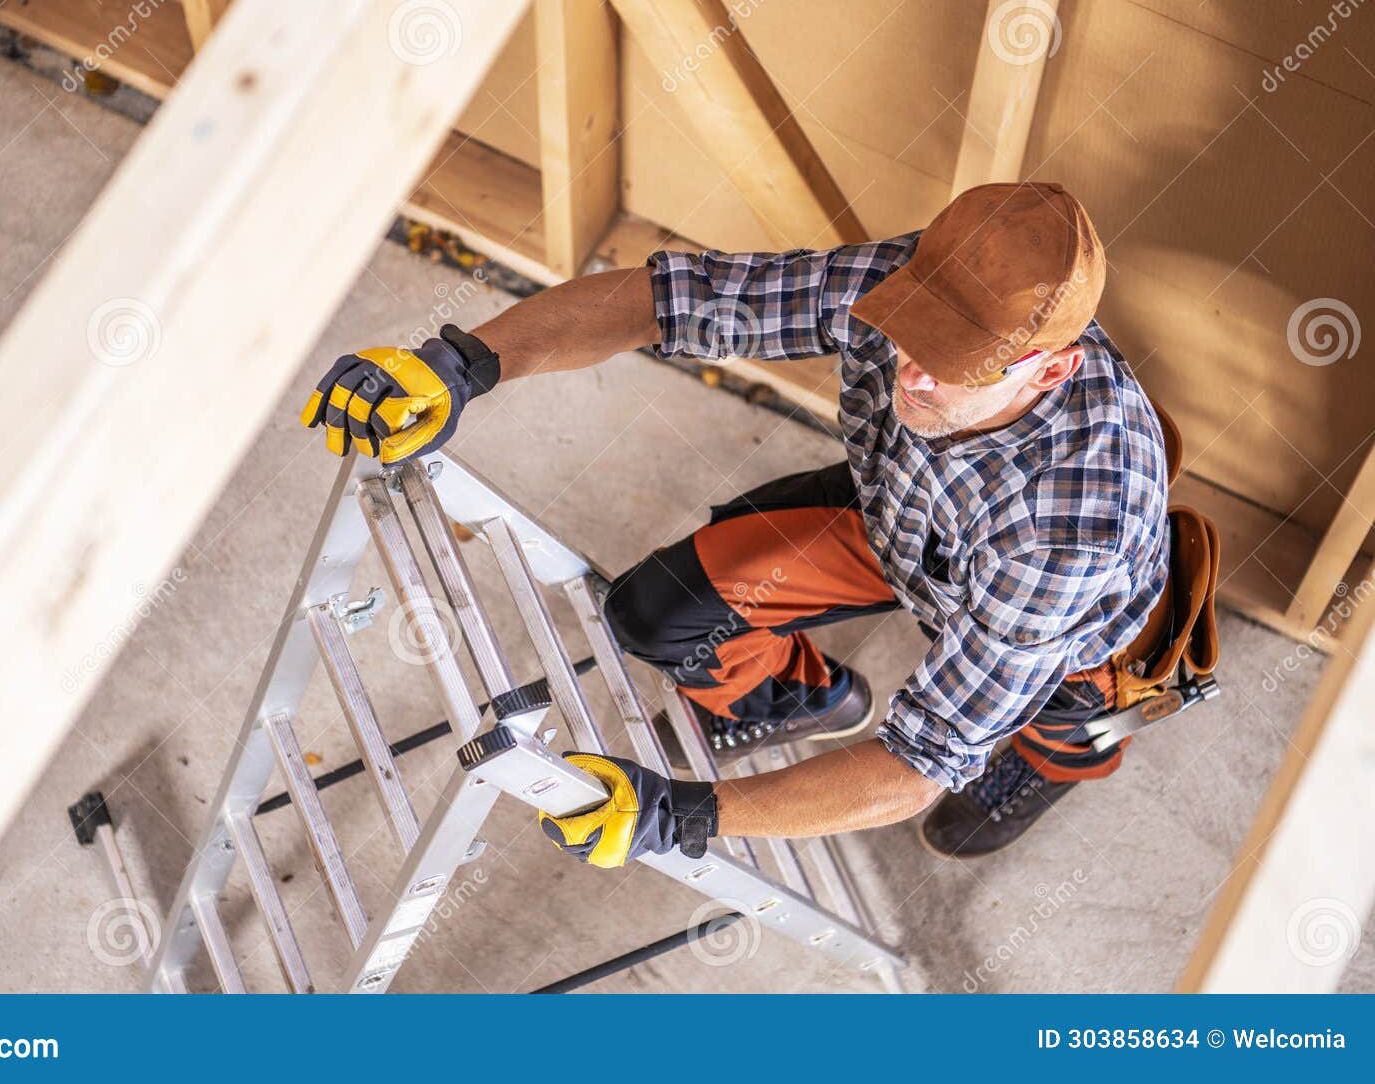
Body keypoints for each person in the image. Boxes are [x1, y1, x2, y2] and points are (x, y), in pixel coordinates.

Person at [302, 181, 1168, 865]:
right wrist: (461, 364)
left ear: (1049, 373)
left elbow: (920, 764)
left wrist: (681, 814)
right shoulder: (902, 285)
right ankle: (803, 698)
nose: (914, 375)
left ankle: (1067, 759)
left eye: (955, 365)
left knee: (1047, 713)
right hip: (901, 520)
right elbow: (669, 302)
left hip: (1053, 624)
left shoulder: (1065, 538)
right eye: (912, 333)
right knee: (652, 613)